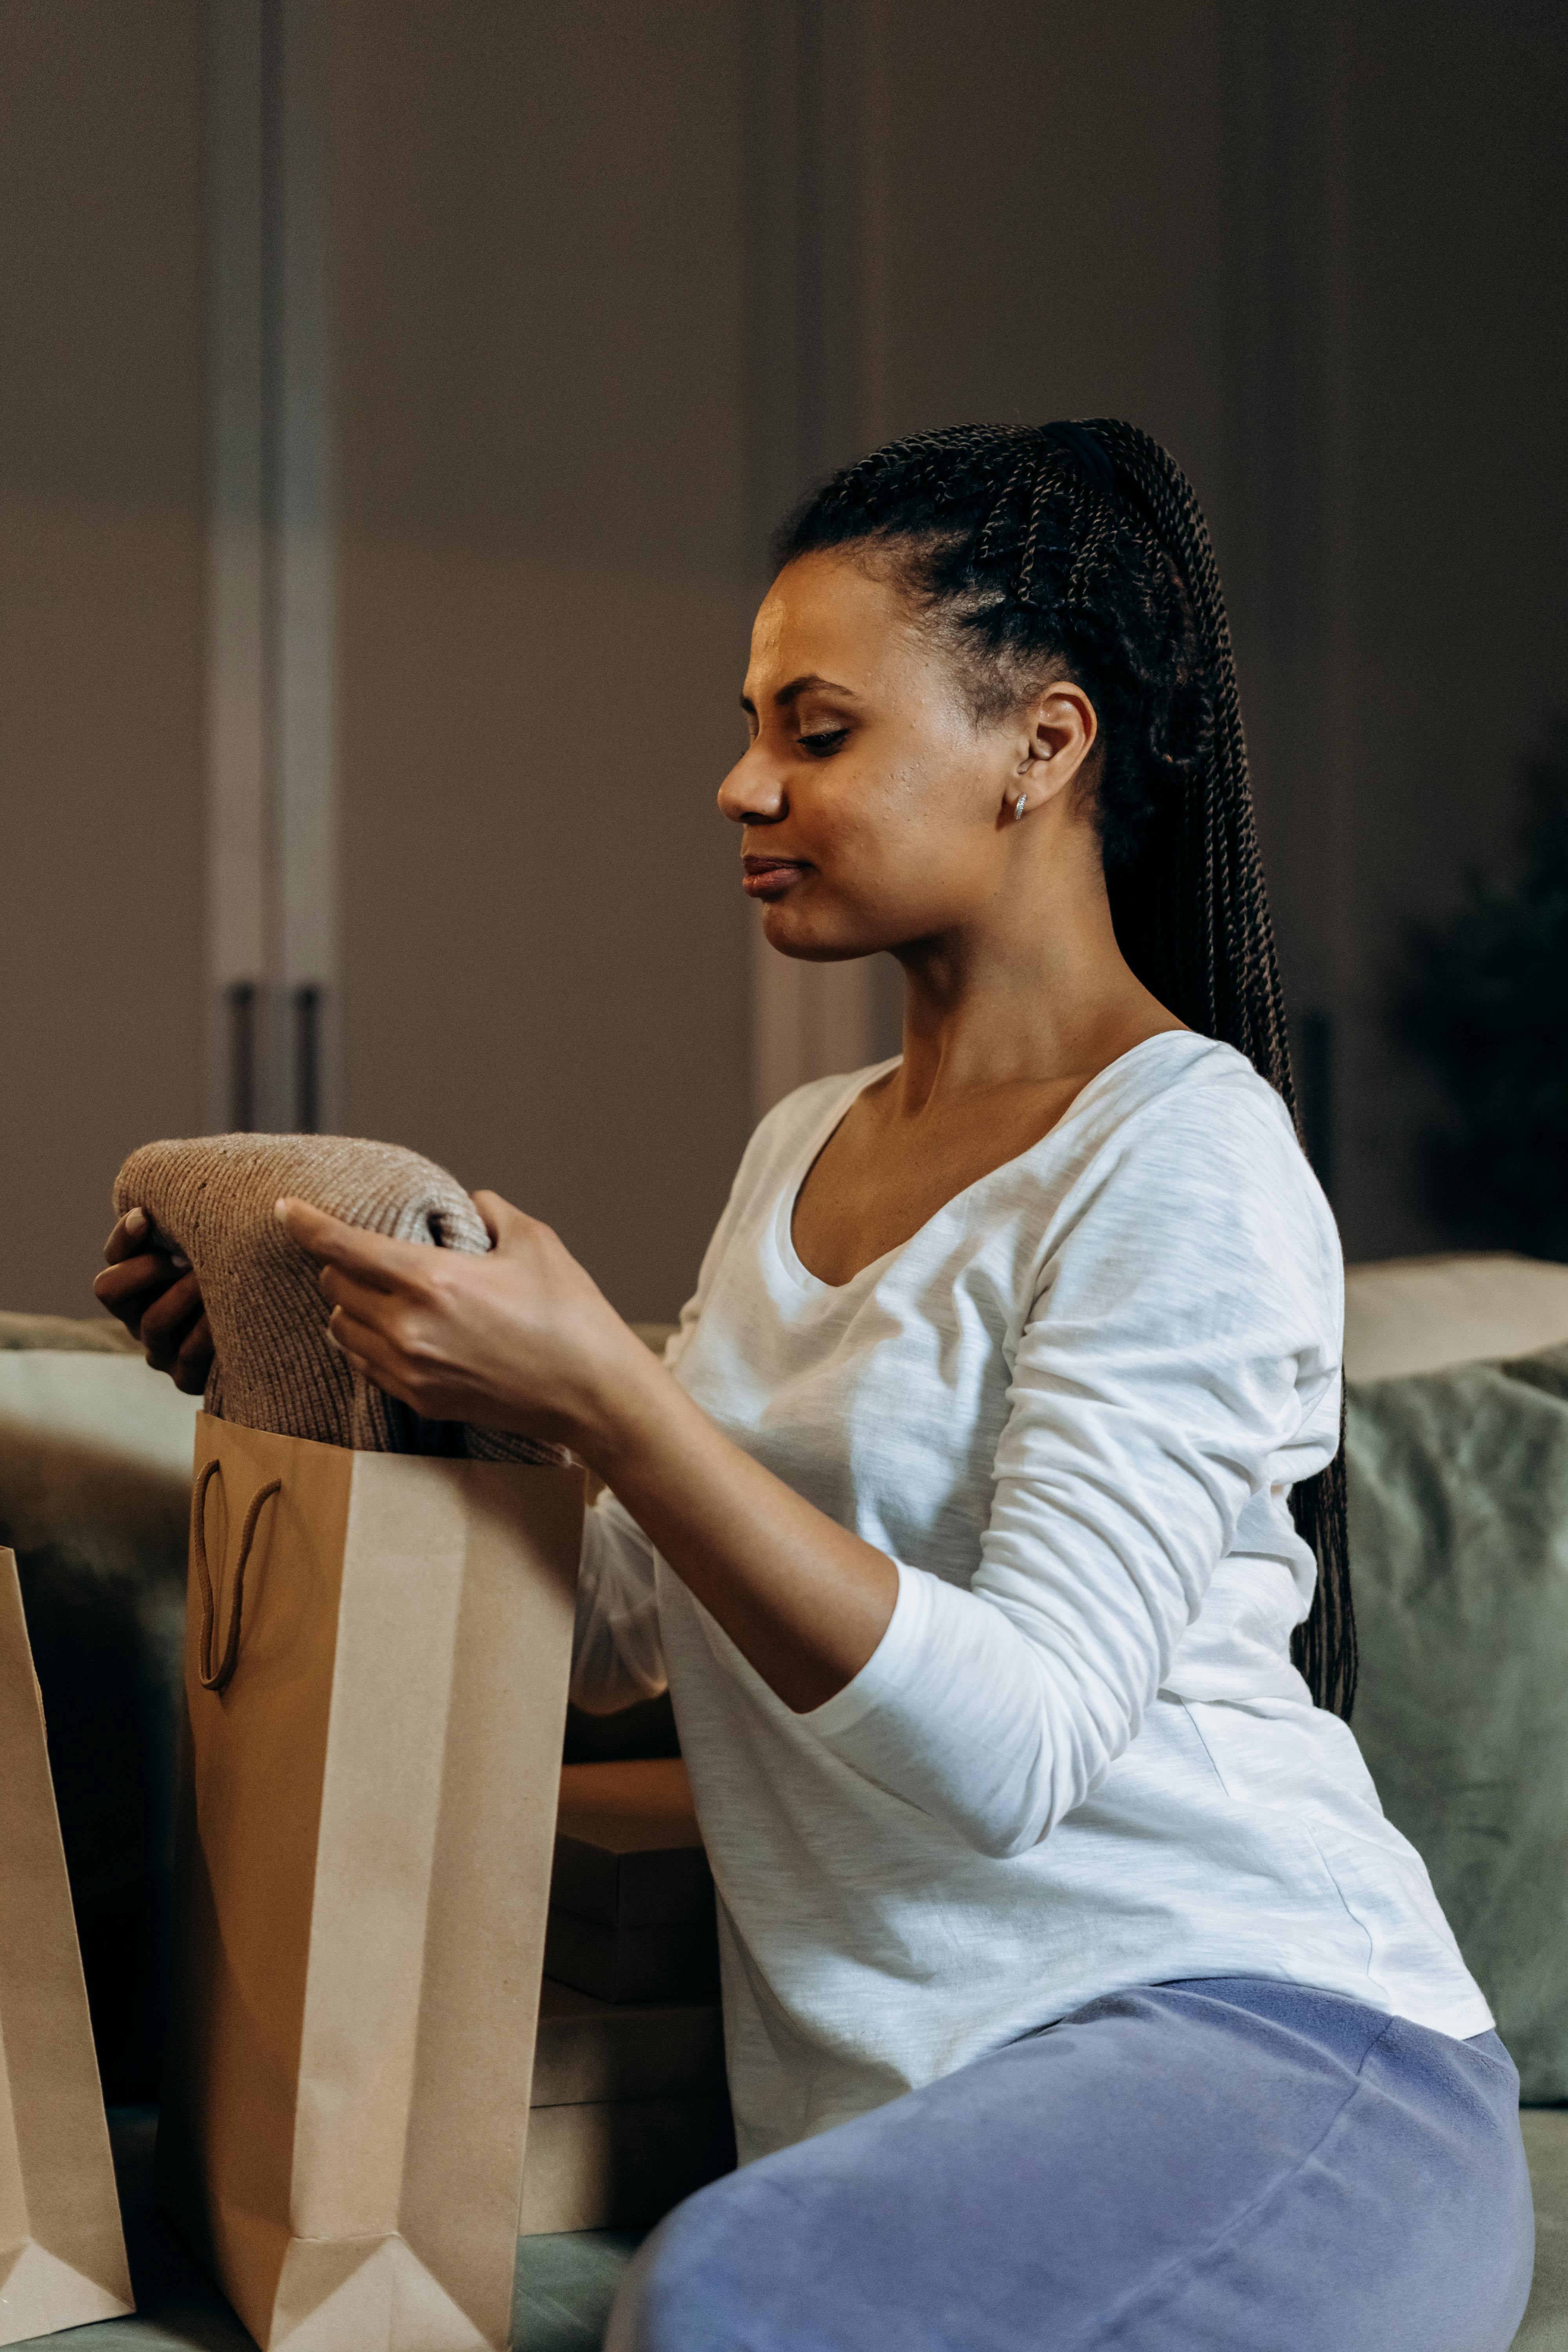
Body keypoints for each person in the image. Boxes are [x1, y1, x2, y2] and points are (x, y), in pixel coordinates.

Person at [99, 421, 1534, 2350]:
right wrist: (329, 1379)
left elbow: (1017, 1748)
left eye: (819, 729)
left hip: (1274, 2058)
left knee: (727, 2305)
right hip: (935, 2121)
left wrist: (614, 1401)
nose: (742, 782)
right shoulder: (802, 1143)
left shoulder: (1181, 1151)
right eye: (752, 725)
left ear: (1044, 744)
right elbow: (616, 1635)